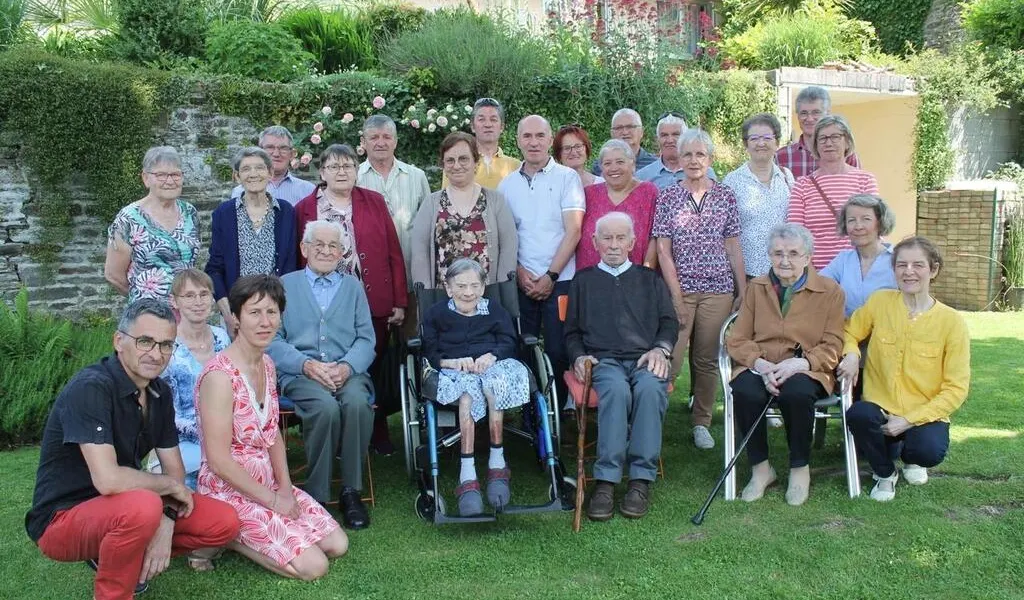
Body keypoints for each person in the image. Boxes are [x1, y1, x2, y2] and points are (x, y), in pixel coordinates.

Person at [26, 299, 240, 600]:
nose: (156, 354)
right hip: (62, 520)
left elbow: (174, 468)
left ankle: (126, 553)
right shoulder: (91, 387)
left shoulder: (159, 392)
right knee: (142, 506)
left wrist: (166, 522)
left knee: (223, 521)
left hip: (124, 506)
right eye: (145, 341)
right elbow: (109, 480)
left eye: (166, 345)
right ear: (118, 340)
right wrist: (165, 488)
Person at [197, 274, 347, 579]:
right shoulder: (219, 378)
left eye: (272, 312)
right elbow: (218, 461)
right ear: (236, 318)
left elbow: (272, 435)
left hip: (266, 482)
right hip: (230, 490)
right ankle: (228, 537)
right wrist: (272, 501)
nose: (265, 321)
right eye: (254, 312)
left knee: (337, 544)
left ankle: (254, 529)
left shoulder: (266, 364)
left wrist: (286, 489)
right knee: (314, 567)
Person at [295, 144, 407, 456]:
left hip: (371, 299)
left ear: (357, 171)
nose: (341, 171)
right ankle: (338, 430)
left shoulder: (373, 201)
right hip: (324, 304)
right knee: (332, 363)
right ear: (322, 172)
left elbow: (393, 253)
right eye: (334, 166)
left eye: (347, 166)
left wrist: (399, 299)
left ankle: (377, 426)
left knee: (371, 363)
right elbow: (298, 256)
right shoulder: (305, 208)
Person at [566, 212, 679, 520]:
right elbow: (572, 332)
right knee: (615, 392)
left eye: (620, 238)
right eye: (607, 238)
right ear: (594, 242)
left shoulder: (649, 279)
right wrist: (578, 356)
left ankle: (641, 479)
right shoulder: (584, 281)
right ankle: (605, 481)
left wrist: (661, 349)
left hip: (646, 358)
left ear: (632, 242)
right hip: (605, 361)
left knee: (650, 390)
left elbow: (670, 323)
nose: (613, 245)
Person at [840, 237, 970, 502]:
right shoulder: (880, 302)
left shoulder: (951, 322)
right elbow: (850, 330)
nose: (908, 271)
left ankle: (912, 458)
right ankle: (885, 474)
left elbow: (956, 389)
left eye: (918, 265)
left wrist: (909, 420)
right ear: (894, 269)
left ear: (933, 270)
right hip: (880, 406)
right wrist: (852, 353)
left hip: (922, 411)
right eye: (901, 265)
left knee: (928, 452)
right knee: (859, 415)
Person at [267, 220, 377, 530]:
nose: (326, 251)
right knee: (325, 408)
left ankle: (351, 491)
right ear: (304, 249)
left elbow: (366, 339)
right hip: (300, 373)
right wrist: (306, 365)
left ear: (342, 252)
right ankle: (316, 496)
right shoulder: (284, 285)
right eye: (319, 245)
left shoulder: (353, 287)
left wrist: (346, 367)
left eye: (334, 246)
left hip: (348, 372)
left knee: (356, 403)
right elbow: (272, 339)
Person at [725, 224, 845, 506]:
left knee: (797, 393)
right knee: (745, 391)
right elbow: (737, 338)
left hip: (807, 368)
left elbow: (834, 344)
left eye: (793, 253)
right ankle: (761, 469)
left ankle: (799, 468)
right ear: (769, 255)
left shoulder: (830, 291)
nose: (785, 260)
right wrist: (761, 365)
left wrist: (801, 363)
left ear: (808, 257)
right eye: (778, 253)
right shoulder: (757, 288)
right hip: (762, 365)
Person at [653, 128, 746, 450]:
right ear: (678, 159)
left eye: (700, 154)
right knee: (671, 358)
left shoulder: (725, 195)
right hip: (679, 289)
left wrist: (742, 290)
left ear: (710, 159)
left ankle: (701, 423)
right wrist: (676, 297)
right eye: (688, 154)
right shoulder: (667, 196)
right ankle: (654, 421)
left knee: (706, 359)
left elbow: (733, 246)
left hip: (718, 289)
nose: (694, 160)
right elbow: (663, 251)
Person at [420, 258, 531, 515]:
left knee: (493, 388)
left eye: (474, 285)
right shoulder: (436, 313)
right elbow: (428, 350)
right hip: (453, 371)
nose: (468, 292)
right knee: (468, 395)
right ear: (448, 288)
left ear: (483, 287)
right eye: (460, 286)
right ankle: (467, 476)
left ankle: (497, 466)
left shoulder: (494, 309)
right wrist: (451, 361)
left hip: (492, 368)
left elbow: (508, 341)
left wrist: (491, 356)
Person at [498, 115, 585, 400]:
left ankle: (557, 411)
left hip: (560, 281)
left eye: (540, 136)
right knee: (522, 348)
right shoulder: (507, 185)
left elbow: (573, 232)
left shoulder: (567, 178)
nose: (533, 142)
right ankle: (529, 413)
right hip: (521, 282)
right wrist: (520, 272)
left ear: (550, 140)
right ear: (518, 140)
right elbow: (505, 237)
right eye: (527, 136)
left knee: (558, 350)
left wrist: (550, 276)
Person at [206, 147, 298, 334]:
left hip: (276, 310)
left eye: (260, 168)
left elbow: (291, 265)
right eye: (246, 169)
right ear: (237, 176)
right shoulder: (224, 213)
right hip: (237, 311)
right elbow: (215, 268)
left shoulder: (286, 212)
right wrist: (228, 314)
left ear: (270, 173)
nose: (253, 174)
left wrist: (282, 309)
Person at [410, 132, 518, 288]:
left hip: (487, 297)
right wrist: (425, 295)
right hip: (444, 298)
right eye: (450, 160)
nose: (456, 165)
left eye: (463, 159)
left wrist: (502, 291)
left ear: (476, 162)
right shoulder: (431, 203)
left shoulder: (496, 201)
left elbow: (508, 248)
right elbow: (420, 254)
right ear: (443, 165)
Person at [161, 269, 231, 491]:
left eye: (204, 294)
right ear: (174, 301)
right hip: (182, 439)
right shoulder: (166, 345)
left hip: (227, 434)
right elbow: (164, 410)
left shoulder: (221, 336)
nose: (198, 302)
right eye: (189, 296)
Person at [104, 146, 200, 303]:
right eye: (161, 175)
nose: (170, 181)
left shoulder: (190, 213)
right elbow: (113, 275)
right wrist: (143, 299)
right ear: (145, 178)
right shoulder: (128, 219)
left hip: (187, 312)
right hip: (147, 315)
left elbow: (191, 264)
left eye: (175, 174)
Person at [788, 115, 879, 270]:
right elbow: (795, 234)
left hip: (857, 271)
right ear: (815, 145)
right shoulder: (802, 185)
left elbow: (874, 228)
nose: (828, 143)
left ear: (847, 141)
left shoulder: (865, 180)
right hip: (816, 273)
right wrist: (810, 275)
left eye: (835, 137)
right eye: (822, 138)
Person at [723, 113, 796, 278]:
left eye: (767, 138)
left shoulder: (787, 177)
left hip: (783, 271)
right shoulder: (732, 181)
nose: (761, 143)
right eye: (754, 138)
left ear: (777, 143)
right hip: (748, 274)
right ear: (746, 144)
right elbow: (726, 235)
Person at [357, 114, 431, 272]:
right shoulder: (354, 179)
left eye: (387, 137)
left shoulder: (417, 177)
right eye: (374, 137)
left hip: (412, 272)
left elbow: (429, 226)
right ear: (363, 142)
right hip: (369, 275)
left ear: (396, 141)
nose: (381, 143)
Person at [576, 139, 658, 271]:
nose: (614, 168)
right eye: (607, 163)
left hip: (635, 277)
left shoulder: (648, 192)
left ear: (632, 164)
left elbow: (655, 237)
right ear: (601, 168)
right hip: (591, 277)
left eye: (620, 162)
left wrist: (647, 273)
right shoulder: (589, 194)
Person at [820, 194, 898, 317]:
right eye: (851, 220)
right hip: (848, 333)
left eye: (866, 219)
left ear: (880, 222)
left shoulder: (898, 260)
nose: (858, 226)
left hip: (887, 334)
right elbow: (817, 285)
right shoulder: (843, 260)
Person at [776, 86, 861, 179]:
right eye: (804, 113)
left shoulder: (846, 155)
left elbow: (858, 189)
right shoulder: (781, 156)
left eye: (816, 112)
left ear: (828, 114)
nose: (809, 118)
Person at [442, 97, 521, 189]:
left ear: (502, 127)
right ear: (472, 126)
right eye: (481, 119)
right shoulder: (457, 165)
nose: (488, 125)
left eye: (493, 119)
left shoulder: (515, 166)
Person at [231, 125, 316, 206]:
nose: (276, 154)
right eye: (270, 147)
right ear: (260, 152)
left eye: (283, 148)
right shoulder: (240, 192)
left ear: (292, 154)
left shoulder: (308, 191)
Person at [636, 112, 717, 189]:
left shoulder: (705, 173)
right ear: (658, 140)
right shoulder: (643, 176)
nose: (670, 140)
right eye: (664, 135)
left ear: (685, 139)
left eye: (675, 134)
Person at [593, 108, 657, 176]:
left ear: (641, 131)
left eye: (630, 127)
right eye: (619, 128)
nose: (625, 132)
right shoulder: (600, 165)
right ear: (611, 133)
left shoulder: (654, 164)